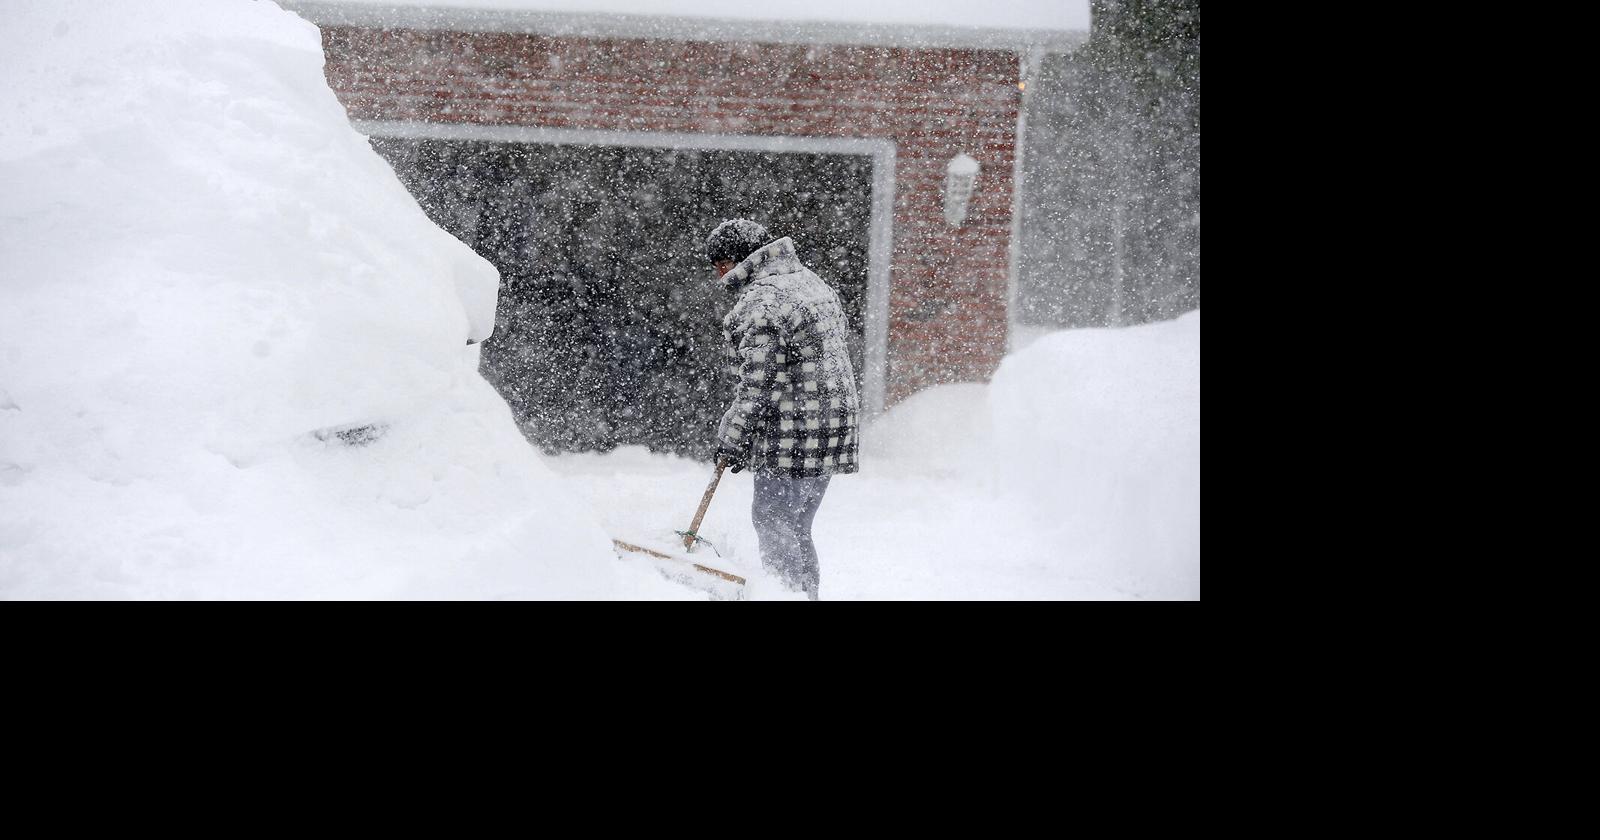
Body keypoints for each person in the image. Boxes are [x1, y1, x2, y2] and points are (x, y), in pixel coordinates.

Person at [705, 218, 859, 601]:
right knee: (796, 526)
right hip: (833, 424)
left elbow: (759, 382)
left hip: (796, 430)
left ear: (732, 260)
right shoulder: (809, 282)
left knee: (773, 521)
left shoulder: (762, 301)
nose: (718, 275)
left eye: (718, 265)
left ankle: (784, 596)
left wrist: (733, 438)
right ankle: (804, 596)